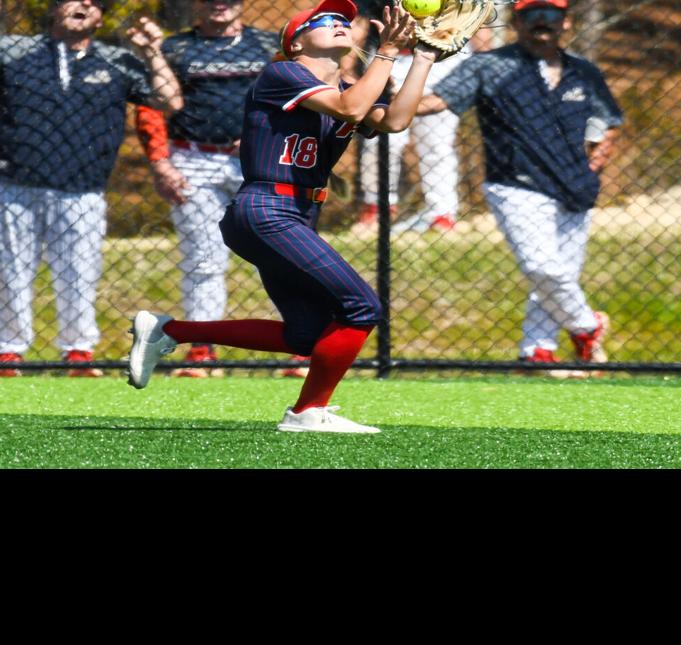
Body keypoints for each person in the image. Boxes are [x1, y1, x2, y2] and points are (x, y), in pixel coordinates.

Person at [127, 0, 441, 434]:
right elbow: (352, 109)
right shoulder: (283, 74)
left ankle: (170, 331)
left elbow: (396, 120)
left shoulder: (352, 84)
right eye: (323, 21)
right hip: (266, 209)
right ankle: (308, 412)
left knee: (305, 336)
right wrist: (387, 51)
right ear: (295, 42)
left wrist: (422, 56)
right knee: (361, 307)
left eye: (342, 21)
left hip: (295, 213)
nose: (336, 24)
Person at [0, 0, 183, 376]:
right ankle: (9, 352)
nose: (85, 4)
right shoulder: (15, 48)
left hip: (82, 187)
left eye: (95, 3)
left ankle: (78, 352)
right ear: (54, 9)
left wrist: (152, 52)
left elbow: (170, 100)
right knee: (11, 270)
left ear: (101, 17)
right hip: (13, 182)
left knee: (79, 272)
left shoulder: (116, 59)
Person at [417, 0, 620, 373]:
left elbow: (608, 120)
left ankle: (536, 350)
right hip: (516, 183)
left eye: (551, 15)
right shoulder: (491, 65)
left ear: (566, 22)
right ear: (515, 20)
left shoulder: (583, 72)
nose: (542, 23)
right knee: (540, 266)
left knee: (561, 274)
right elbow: (437, 101)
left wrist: (595, 160)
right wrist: (384, 99)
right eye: (532, 14)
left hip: (576, 188)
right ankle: (587, 326)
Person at [133, 0, 277, 378]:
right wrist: (160, 162)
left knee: (281, 252)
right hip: (193, 160)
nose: (219, 4)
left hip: (259, 159)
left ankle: (300, 345)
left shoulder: (268, 45)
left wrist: (267, 139)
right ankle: (201, 349)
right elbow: (151, 107)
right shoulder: (175, 48)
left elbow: (293, 99)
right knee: (203, 257)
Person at [350, 0, 490, 232]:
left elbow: (477, 14)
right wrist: (348, 68)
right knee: (380, 140)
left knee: (437, 143)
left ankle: (441, 214)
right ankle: (376, 207)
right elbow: (360, 21)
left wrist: (485, 59)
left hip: (444, 56)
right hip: (390, 55)